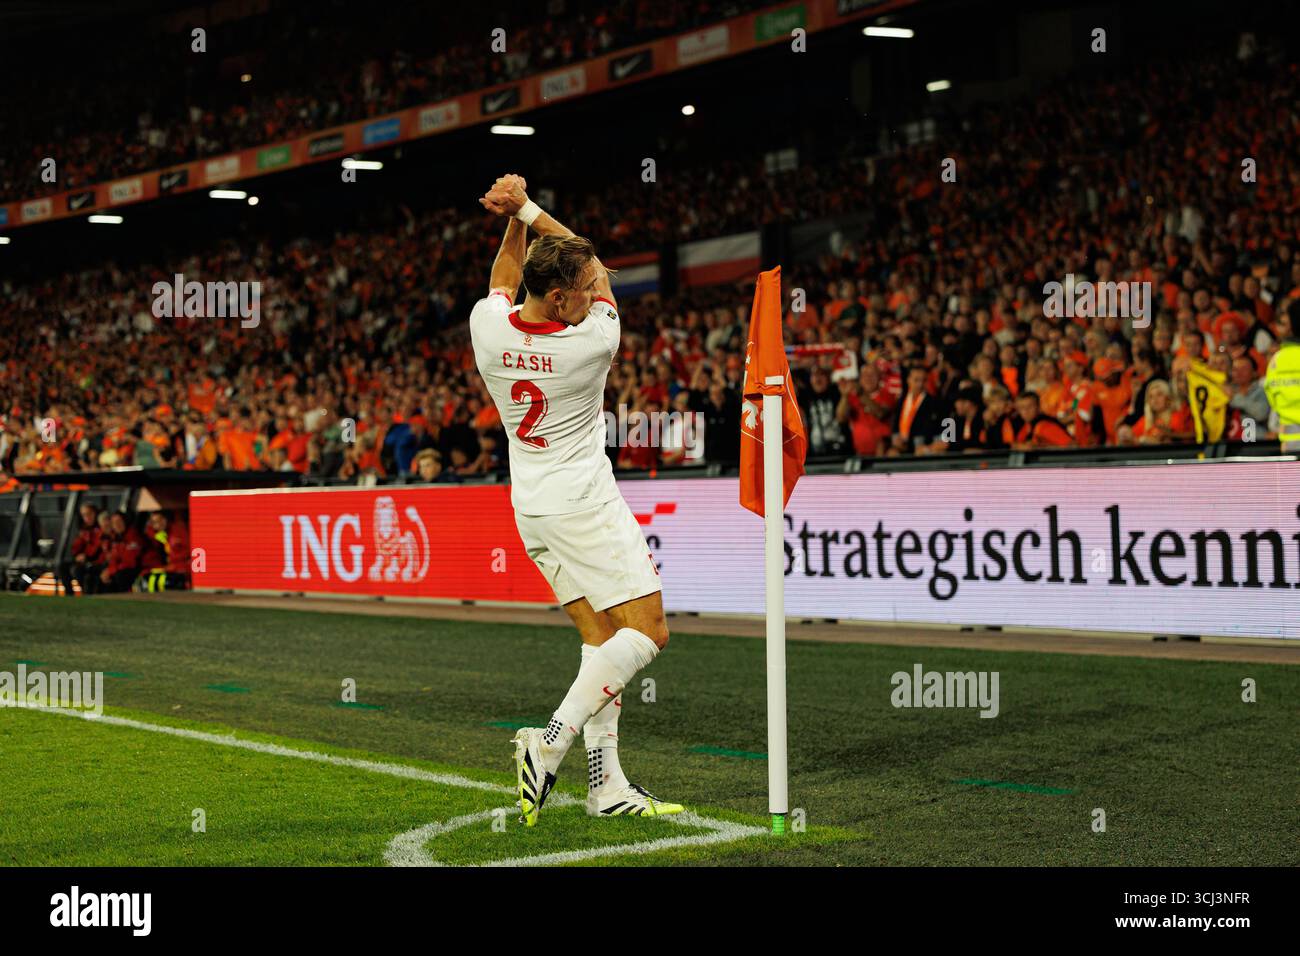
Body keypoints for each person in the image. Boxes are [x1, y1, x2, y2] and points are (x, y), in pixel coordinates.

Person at [470, 173, 682, 825]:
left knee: (602, 641)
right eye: (582, 293)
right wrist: (528, 206)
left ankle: (607, 784)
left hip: (530, 506)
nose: (594, 295)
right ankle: (550, 741)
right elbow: (603, 272)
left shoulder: (488, 327)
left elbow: (505, 279)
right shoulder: (593, 342)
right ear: (560, 298)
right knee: (648, 633)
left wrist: (511, 220)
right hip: (584, 505)